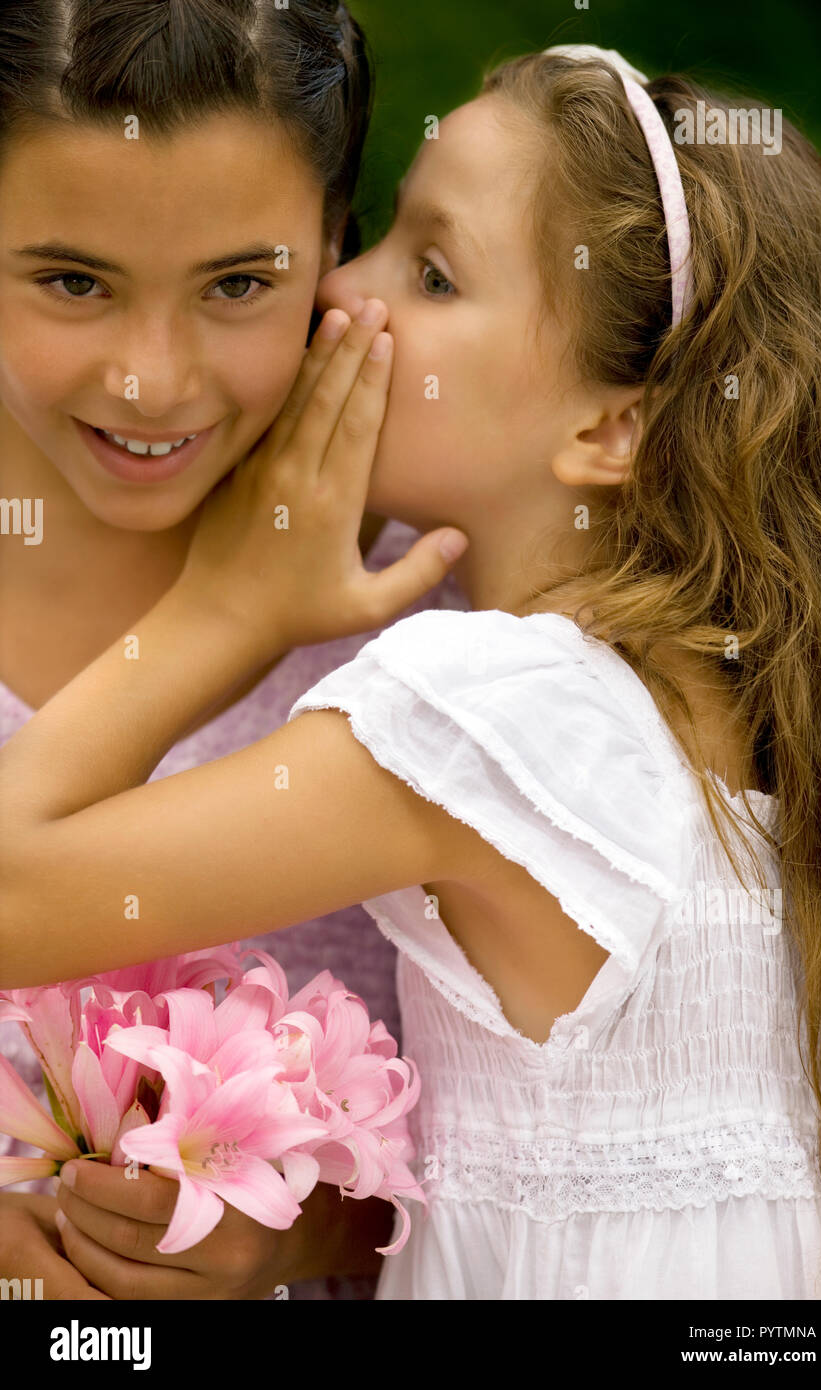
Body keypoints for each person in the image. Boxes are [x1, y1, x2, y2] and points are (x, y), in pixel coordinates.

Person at [3, 42, 821, 1299]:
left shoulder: (482, 711)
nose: (342, 296)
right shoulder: (719, 701)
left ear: (608, 428)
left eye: (433, 271)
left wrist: (227, 611)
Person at [0, 0, 469, 1300]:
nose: (152, 379)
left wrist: (306, 1230)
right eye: (71, 280)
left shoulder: (444, 605)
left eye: (239, 285)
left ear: (337, 249)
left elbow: (555, 1168)